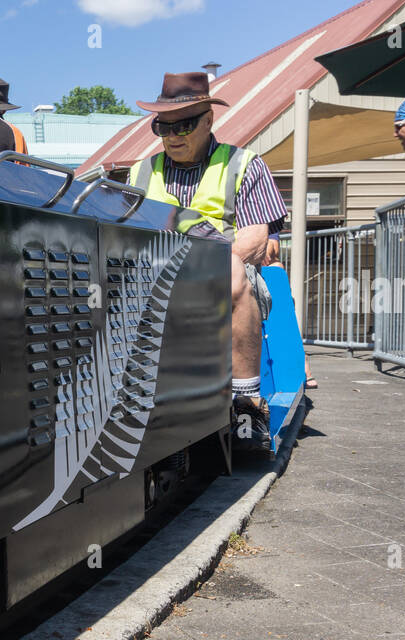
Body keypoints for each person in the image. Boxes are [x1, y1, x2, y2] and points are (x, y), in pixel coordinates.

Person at [130, 72, 288, 451]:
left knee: (232, 272)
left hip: (226, 272)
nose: (172, 136)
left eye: (183, 125)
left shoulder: (245, 164)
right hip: (155, 272)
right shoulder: (139, 171)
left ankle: (247, 404)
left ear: (208, 119)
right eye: (162, 127)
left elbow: (254, 239)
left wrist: (198, 273)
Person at [262, 233, 317, 390]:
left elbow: (272, 246)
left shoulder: (257, 211)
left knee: (276, 269)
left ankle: (298, 358)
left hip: (253, 262)